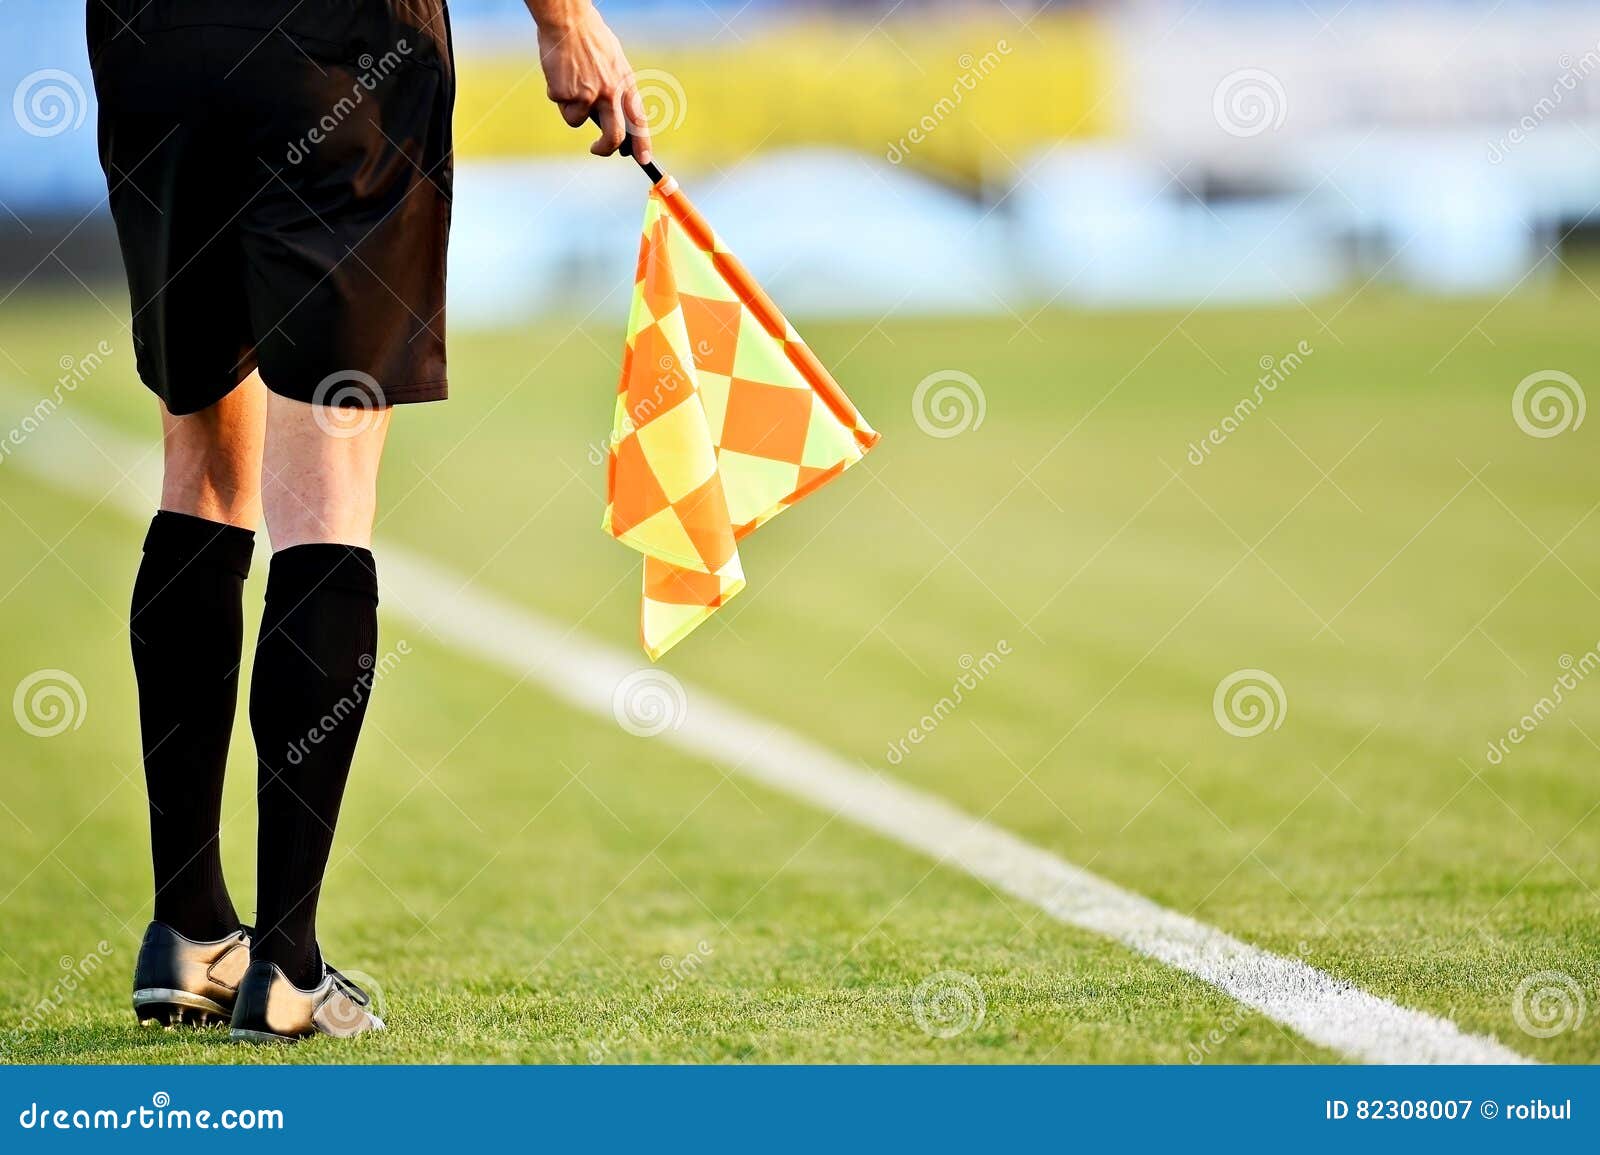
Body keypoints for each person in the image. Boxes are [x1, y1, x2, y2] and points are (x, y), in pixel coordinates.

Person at [89, 0, 652, 1043]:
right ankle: (288, 967)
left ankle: (188, 929)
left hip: (148, 44)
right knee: (325, 492)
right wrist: (564, 19)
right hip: (333, 46)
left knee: (199, 468)